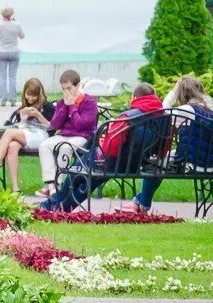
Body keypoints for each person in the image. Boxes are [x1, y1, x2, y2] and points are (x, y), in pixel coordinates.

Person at [39, 83, 164, 211]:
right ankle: (61, 207)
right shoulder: (164, 117)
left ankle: (53, 203)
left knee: (77, 170)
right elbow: (164, 148)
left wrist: (102, 144)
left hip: (113, 163)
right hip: (138, 164)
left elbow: (110, 148)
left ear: (134, 98)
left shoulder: (128, 117)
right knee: (90, 179)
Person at [121, 76, 213, 214]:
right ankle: (138, 202)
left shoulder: (187, 110)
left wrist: (172, 94)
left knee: (154, 163)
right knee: (164, 160)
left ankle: (142, 204)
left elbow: (160, 114)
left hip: (194, 163)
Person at [0, 77, 55, 192]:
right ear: (24, 93)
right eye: (28, 94)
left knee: (9, 133)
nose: (31, 98)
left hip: (41, 137)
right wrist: (23, 119)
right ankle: (15, 188)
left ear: (40, 94)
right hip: (27, 136)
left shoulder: (47, 106)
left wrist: (39, 115)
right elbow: (23, 128)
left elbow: (52, 128)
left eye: (34, 95)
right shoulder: (23, 107)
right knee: (12, 146)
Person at [36, 70, 98, 197]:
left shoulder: (89, 102)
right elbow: (55, 124)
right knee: (44, 145)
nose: (66, 92)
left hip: (82, 137)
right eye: (63, 88)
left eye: (69, 88)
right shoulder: (61, 102)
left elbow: (80, 125)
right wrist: (65, 106)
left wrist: (73, 107)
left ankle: (59, 185)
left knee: (65, 147)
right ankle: (51, 186)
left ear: (78, 85)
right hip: (64, 135)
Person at [0, 6, 25, 106]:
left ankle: (3, 99)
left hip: (1, 52)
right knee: (12, 76)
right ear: (11, 14)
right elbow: (22, 36)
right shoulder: (16, 24)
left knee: (2, 77)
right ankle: (13, 99)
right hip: (14, 51)